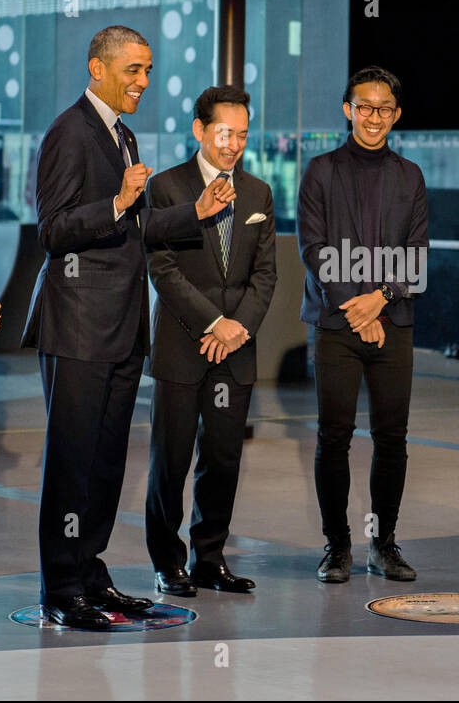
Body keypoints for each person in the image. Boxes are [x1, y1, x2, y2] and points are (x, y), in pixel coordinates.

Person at [21, 26, 235, 629]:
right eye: (134, 70)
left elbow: (137, 229)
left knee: (107, 462)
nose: (145, 81)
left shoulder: (122, 132)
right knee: (72, 461)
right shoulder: (70, 131)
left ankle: (90, 574)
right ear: (98, 68)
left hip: (118, 326)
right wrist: (115, 203)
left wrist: (193, 213)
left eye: (148, 70)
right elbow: (54, 230)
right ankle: (60, 589)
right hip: (78, 325)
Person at [297, 66, 429, 583]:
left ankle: (385, 544)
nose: (374, 117)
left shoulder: (410, 176)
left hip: (392, 320)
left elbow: (416, 255)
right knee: (334, 436)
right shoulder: (321, 171)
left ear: (395, 115)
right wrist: (356, 307)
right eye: (364, 106)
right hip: (335, 323)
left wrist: (378, 300)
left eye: (384, 109)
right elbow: (313, 248)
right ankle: (336, 547)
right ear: (348, 109)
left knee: (392, 438)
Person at [144, 85, 277, 597]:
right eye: (225, 133)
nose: (234, 144)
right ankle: (166, 561)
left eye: (243, 135)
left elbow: (266, 276)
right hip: (183, 344)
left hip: (235, 348)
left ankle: (209, 558)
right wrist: (212, 323)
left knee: (223, 458)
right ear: (200, 129)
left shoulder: (259, 193)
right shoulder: (165, 188)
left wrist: (237, 327)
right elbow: (163, 268)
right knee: (170, 459)